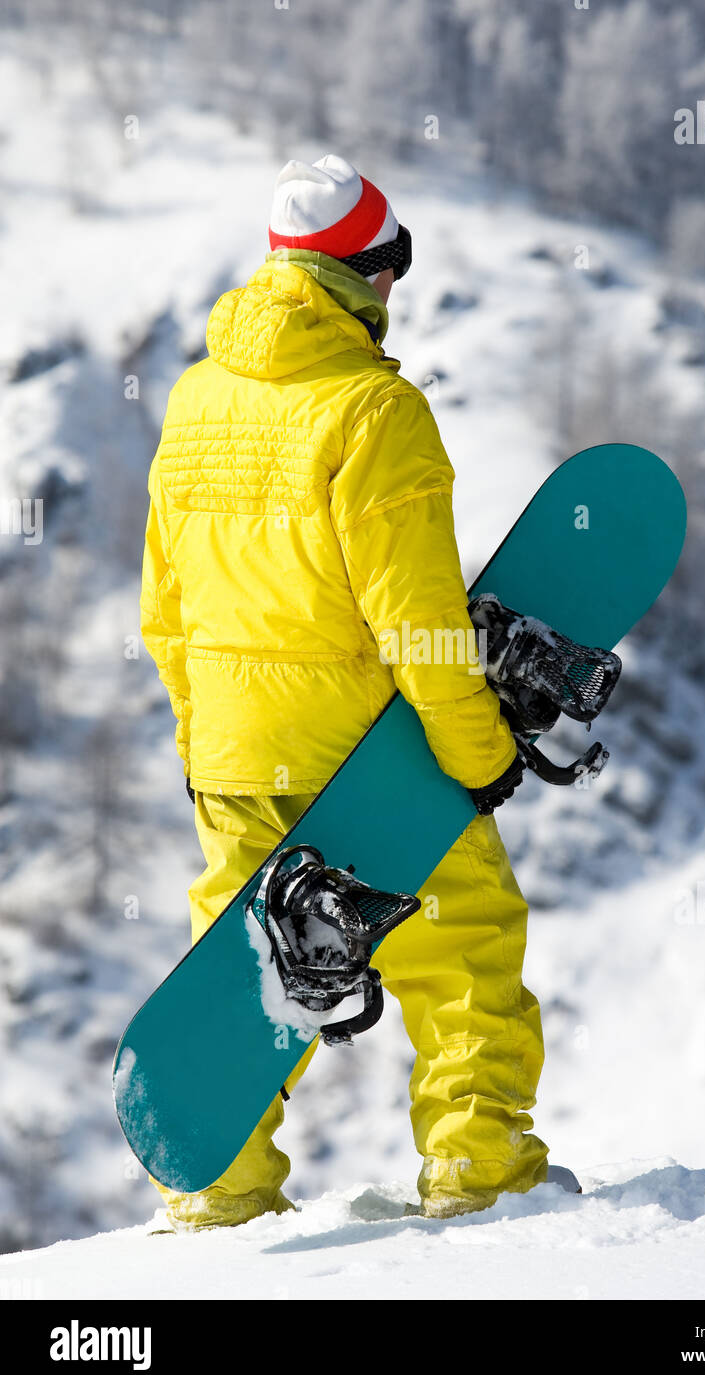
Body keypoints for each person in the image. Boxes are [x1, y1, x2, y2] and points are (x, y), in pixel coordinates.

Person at [140, 154, 573, 1230]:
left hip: (235, 753)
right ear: (368, 273)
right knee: (463, 942)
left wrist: (205, 751)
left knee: (247, 974)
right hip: (360, 750)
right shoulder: (377, 413)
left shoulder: (193, 400)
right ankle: (480, 1172)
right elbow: (418, 622)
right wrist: (476, 755)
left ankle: (219, 1197)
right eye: (392, 270)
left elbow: (162, 611)